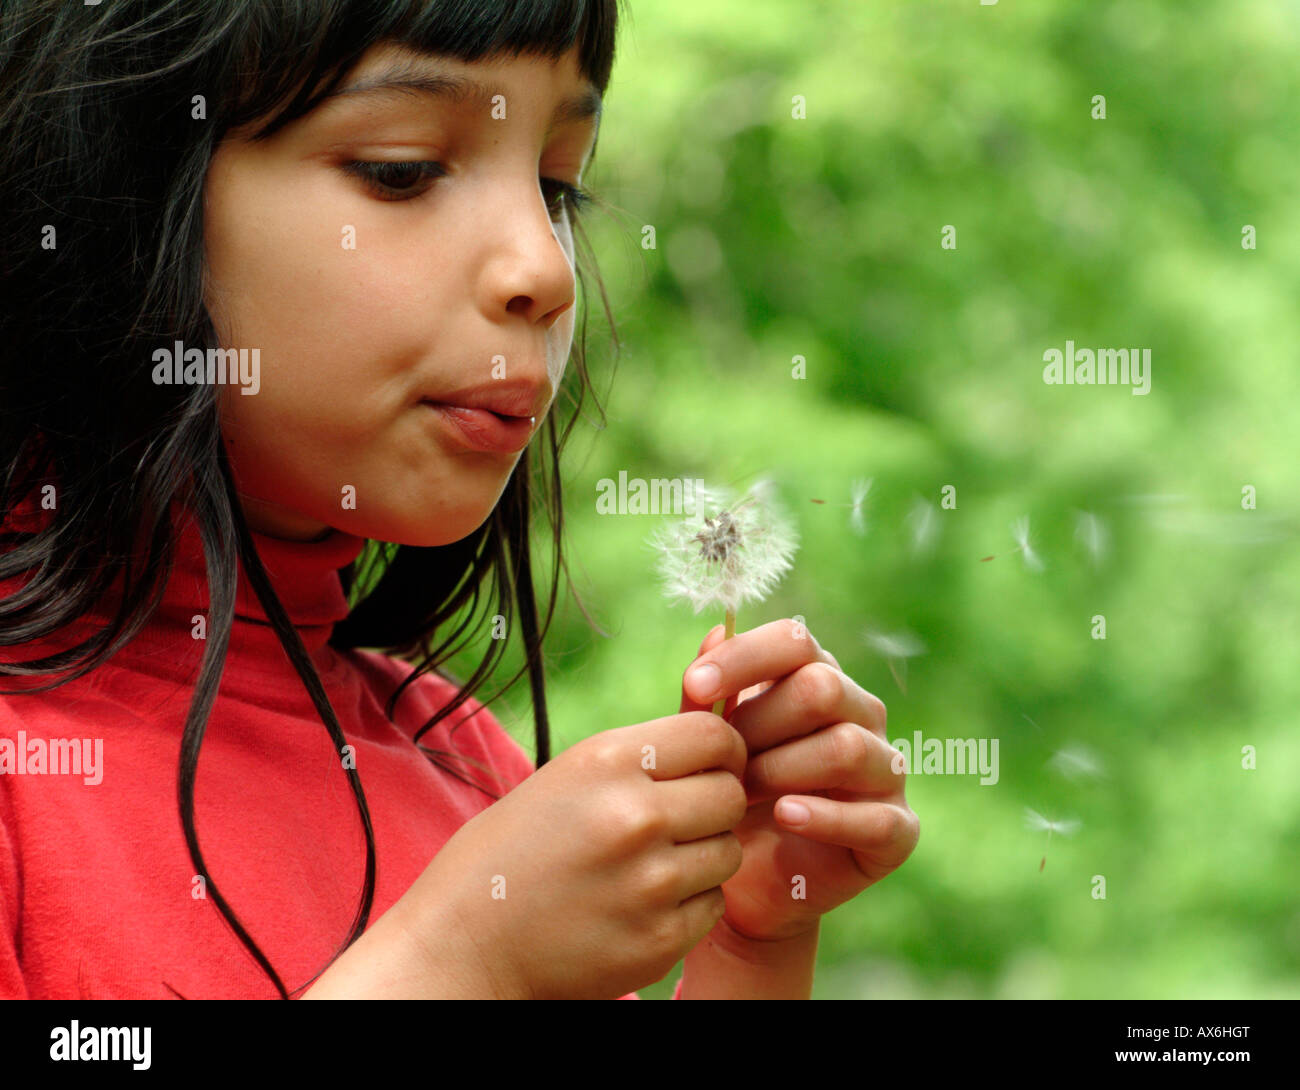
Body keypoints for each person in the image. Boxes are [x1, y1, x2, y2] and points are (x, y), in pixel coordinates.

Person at [0, 0, 918, 1000]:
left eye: (557, 186)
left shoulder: (469, 770)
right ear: (117, 186)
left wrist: (746, 944)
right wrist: (458, 963)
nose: (542, 268)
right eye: (402, 169)